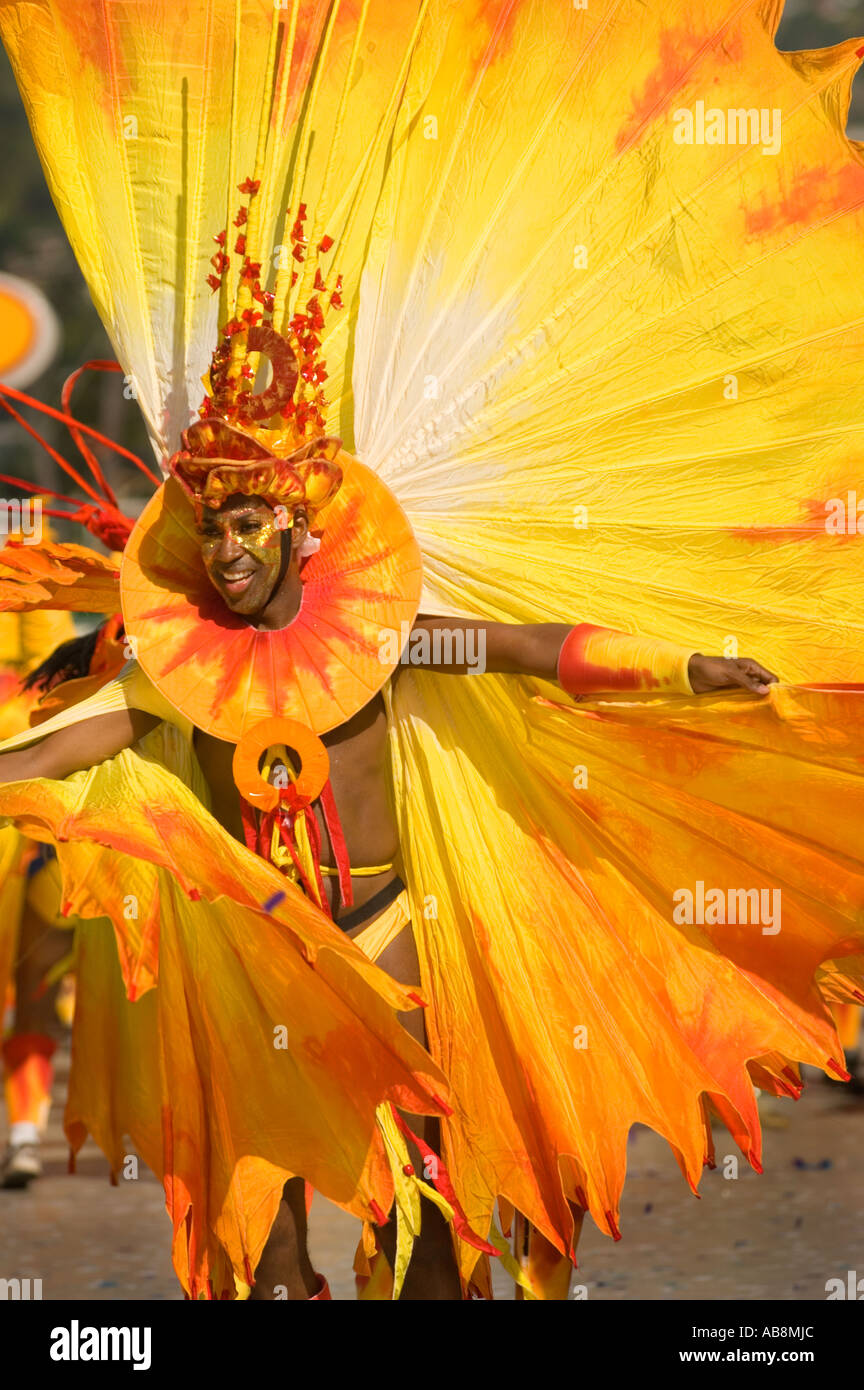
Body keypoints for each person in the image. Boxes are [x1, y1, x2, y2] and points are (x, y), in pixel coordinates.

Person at [2, 0, 864, 1302]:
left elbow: (533, 646)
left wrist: (691, 668)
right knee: (272, 1265)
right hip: (262, 971)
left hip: (406, 949)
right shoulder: (180, 653)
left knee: (439, 1265)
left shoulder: (385, 628)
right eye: (210, 526)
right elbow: (86, 733)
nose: (226, 552)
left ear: (292, 523)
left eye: (245, 525)